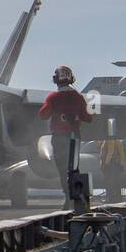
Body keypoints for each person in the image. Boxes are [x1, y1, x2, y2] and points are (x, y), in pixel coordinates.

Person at [38, 65, 93, 206]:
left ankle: (67, 198)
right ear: (71, 78)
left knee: (62, 169)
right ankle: (79, 200)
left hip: (59, 138)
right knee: (74, 167)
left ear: (56, 79)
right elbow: (88, 117)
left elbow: (43, 115)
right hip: (75, 136)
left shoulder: (53, 97)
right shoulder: (78, 97)